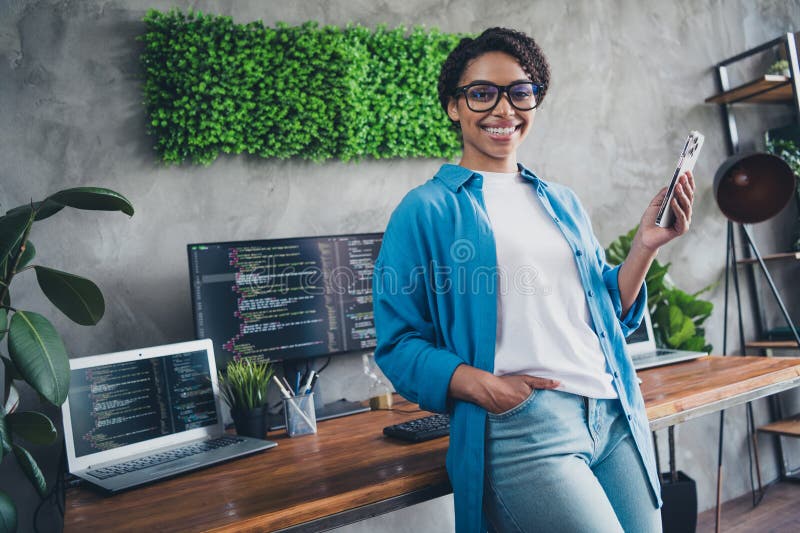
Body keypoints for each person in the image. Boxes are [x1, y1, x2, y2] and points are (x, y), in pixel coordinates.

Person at [372, 27, 695, 533]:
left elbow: (603, 311)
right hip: (526, 428)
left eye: (520, 92)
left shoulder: (560, 200)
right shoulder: (426, 210)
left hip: (612, 414)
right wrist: (488, 390)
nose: (504, 110)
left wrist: (643, 248)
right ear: (454, 107)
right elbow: (397, 344)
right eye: (482, 93)